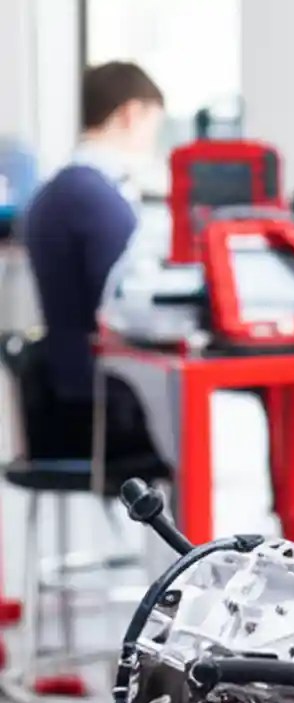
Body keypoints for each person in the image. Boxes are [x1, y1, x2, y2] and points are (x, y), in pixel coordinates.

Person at [21, 61, 166, 460]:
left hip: (70, 392)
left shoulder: (60, 190)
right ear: (130, 113)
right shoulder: (95, 198)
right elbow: (125, 303)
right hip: (103, 401)